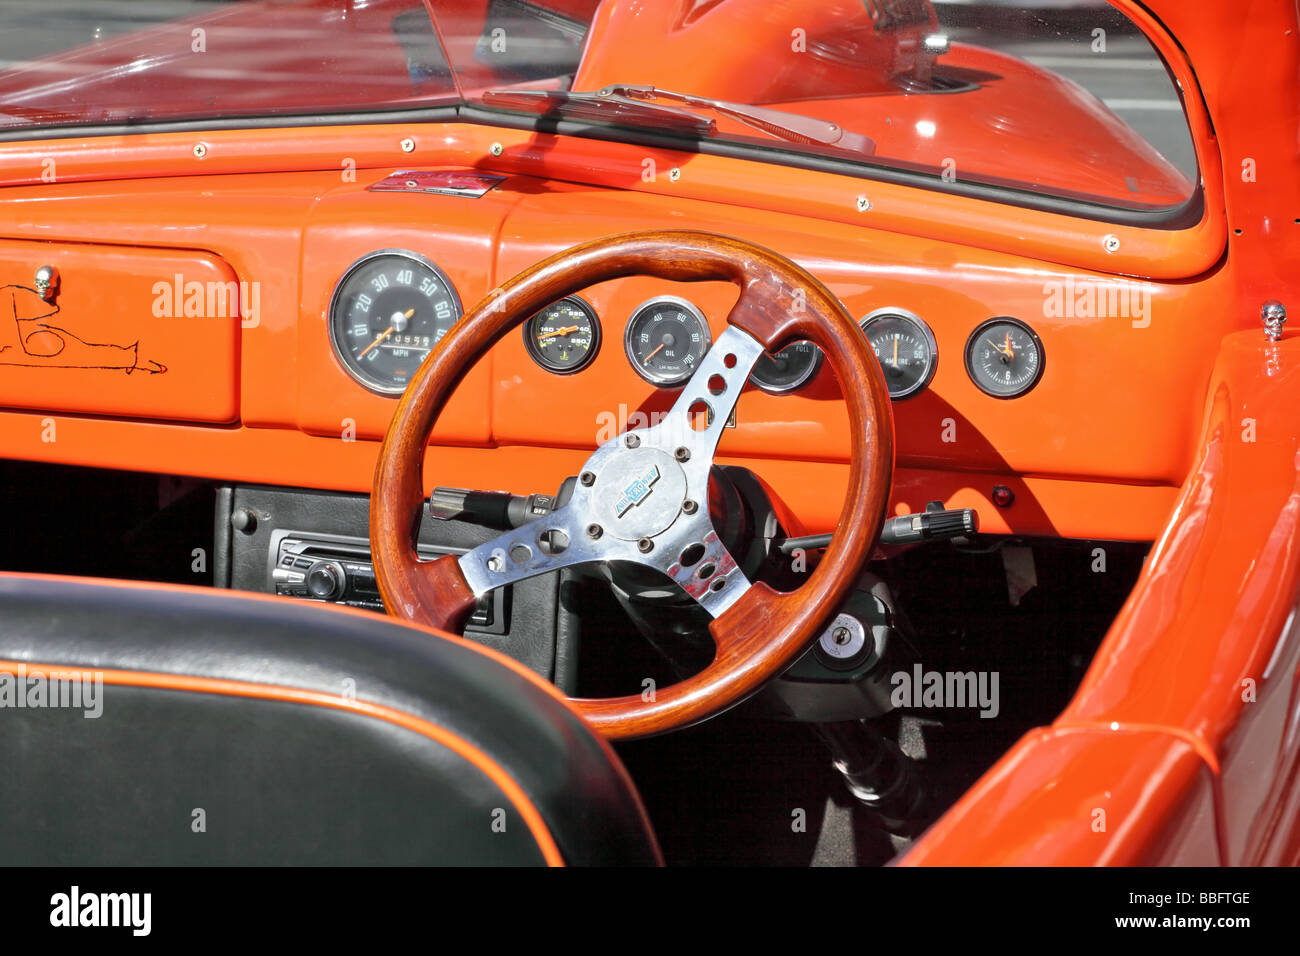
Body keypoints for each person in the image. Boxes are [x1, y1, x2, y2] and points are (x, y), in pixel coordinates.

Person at [0, 283, 165, 374]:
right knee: (81, 355)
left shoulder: (6, 297)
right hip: (29, 343)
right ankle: (131, 358)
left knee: (81, 354)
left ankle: (131, 358)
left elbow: (47, 307)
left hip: (33, 340)